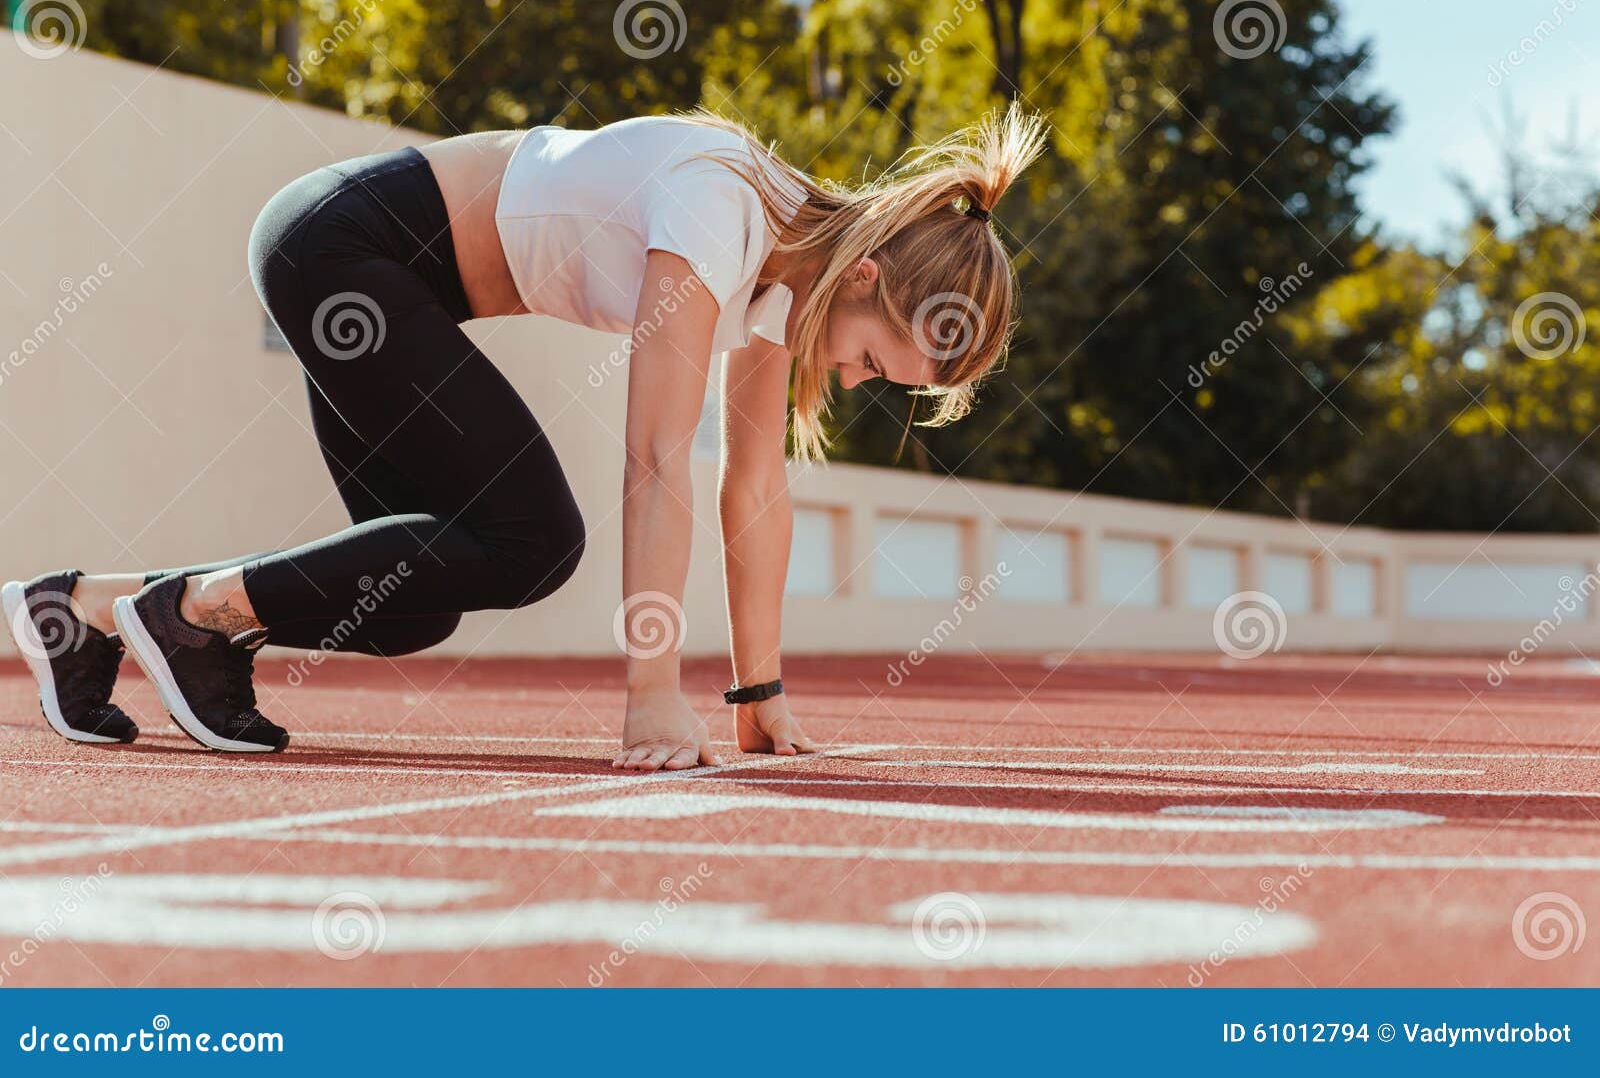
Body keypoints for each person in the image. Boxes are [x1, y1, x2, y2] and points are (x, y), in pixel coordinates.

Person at [3, 106, 1046, 771]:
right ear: (864, 279)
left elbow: (754, 482)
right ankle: (190, 615)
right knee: (535, 538)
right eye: (871, 359)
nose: (851, 378)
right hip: (346, 251)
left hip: (381, 281)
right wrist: (649, 699)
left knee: (411, 604)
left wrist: (756, 694)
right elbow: (654, 455)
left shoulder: (786, 278)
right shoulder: (721, 206)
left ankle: (84, 609)